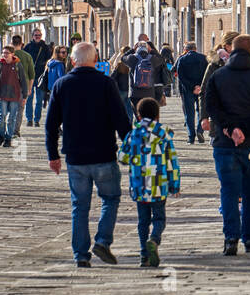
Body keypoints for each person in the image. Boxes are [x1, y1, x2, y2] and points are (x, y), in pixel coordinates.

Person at [45, 41, 133, 268]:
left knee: (80, 206)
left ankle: (81, 254)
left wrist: (52, 155)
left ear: (72, 61)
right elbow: (121, 120)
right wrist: (131, 147)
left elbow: (51, 124)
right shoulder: (106, 84)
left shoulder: (62, 85)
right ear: (95, 61)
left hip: (76, 156)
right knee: (111, 199)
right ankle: (102, 240)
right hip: (104, 153)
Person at [202, 33, 250, 256]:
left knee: (229, 191)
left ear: (232, 51)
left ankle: (230, 238)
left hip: (224, 143)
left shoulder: (218, 76)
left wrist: (230, 128)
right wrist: (245, 130)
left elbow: (212, 107)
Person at [118, 96, 181, 267]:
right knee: (159, 218)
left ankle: (143, 255)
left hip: (139, 185)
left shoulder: (133, 133)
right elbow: (172, 161)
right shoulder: (163, 133)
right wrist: (174, 184)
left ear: (138, 116)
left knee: (142, 221)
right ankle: (154, 239)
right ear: (157, 115)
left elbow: (122, 158)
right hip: (159, 184)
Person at [0, 45, 28, 148]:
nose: (5, 55)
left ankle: (8, 138)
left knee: (11, 118)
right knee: (2, 116)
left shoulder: (17, 65)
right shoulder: (0, 64)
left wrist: (25, 95)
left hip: (15, 95)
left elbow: (23, 81)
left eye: (7, 53)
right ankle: (1, 136)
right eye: (3, 53)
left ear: (12, 54)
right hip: (3, 95)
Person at [175, 41, 207, 144]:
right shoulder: (203, 58)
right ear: (195, 48)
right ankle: (200, 130)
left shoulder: (182, 59)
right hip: (201, 89)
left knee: (189, 113)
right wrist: (199, 86)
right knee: (200, 110)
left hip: (187, 89)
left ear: (186, 50)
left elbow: (181, 76)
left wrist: (191, 86)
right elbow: (207, 74)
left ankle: (191, 136)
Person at [125, 36, 167, 110]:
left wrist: (132, 50)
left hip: (135, 93)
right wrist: (152, 50)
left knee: (138, 115)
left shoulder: (132, 58)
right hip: (149, 92)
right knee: (148, 115)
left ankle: (139, 121)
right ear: (147, 49)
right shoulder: (152, 59)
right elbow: (161, 59)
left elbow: (123, 57)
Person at [23, 29, 51, 127]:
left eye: (39, 35)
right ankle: (29, 119)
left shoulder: (45, 47)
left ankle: (36, 120)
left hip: (41, 77)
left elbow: (49, 60)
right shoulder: (27, 47)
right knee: (29, 99)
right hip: (30, 76)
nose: (37, 36)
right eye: (36, 35)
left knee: (39, 100)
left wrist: (45, 67)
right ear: (32, 36)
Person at [11, 36, 36, 136]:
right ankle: (16, 130)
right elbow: (32, 75)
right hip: (23, 86)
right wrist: (29, 88)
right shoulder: (27, 56)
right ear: (22, 44)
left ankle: (10, 128)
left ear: (11, 43)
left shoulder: (8, 55)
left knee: (10, 108)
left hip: (10, 85)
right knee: (20, 109)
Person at [110, 48, 133, 120]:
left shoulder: (120, 65)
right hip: (130, 90)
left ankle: (121, 123)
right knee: (129, 110)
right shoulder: (133, 64)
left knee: (120, 109)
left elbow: (112, 77)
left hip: (121, 90)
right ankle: (129, 124)